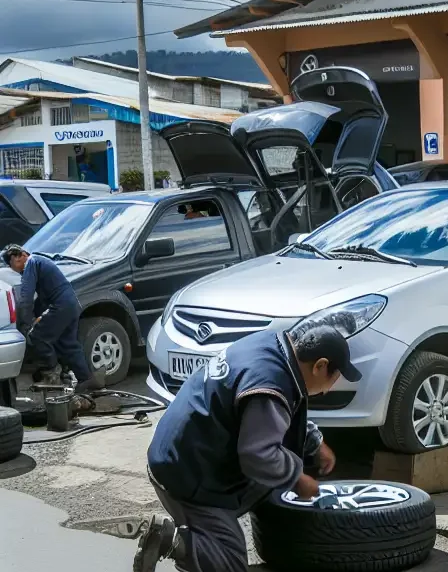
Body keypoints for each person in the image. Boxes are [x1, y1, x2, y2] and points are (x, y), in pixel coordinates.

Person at [134, 316, 361, 572]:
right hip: (186, 475)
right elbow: (258, 455)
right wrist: (298, 478)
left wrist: (312, 440)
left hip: (180, 449)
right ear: (320, 366)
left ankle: (212, 530)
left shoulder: (274, 346)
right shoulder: (271, 384)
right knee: (230, 565)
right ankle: (173, 541)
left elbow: (270, 416)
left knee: (272, 482)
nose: (329, 389)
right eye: (334, 378)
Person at [2, 244, 100, 390]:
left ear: (21, 255)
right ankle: (86, 378)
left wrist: (26, 324)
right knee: (67, 343)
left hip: (60, 305)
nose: (14, 269)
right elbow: (40, 300)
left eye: (12, 264)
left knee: (37, 336)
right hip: (71, 304)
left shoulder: (31, 263)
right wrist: (35, 315)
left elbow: (26, 297)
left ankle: (52, 375)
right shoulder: (40, 262)